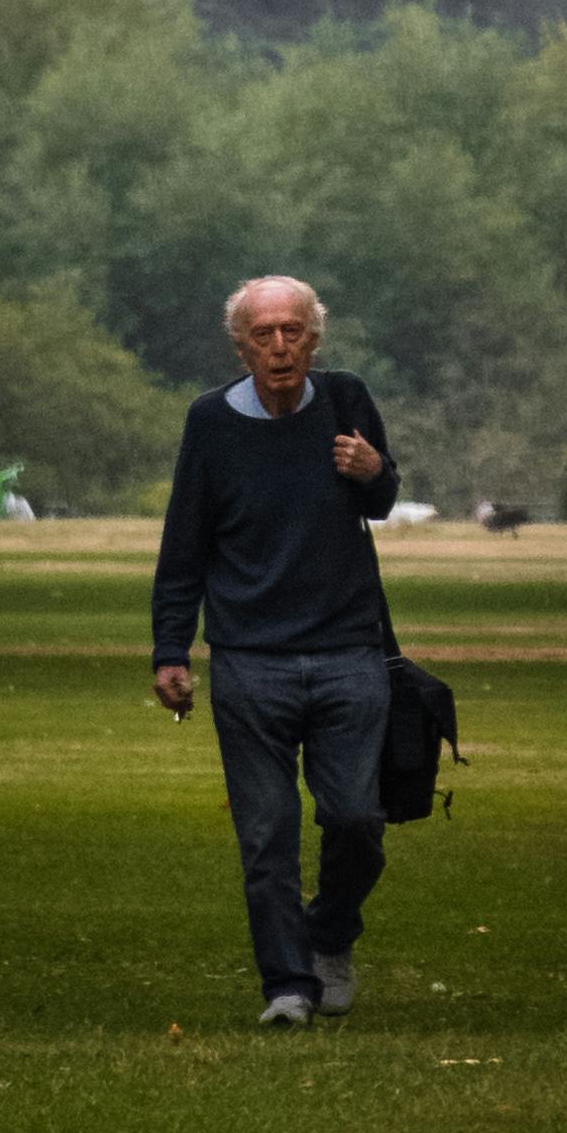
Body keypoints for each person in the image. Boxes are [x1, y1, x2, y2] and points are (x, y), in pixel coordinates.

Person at [149, 276, 401, 1027]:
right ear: (241, 347)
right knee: (266, 835)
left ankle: (331, 933)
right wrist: (170, 649)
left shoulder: (346, 399)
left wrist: (374, 472)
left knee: (356, 819)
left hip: (349, 651)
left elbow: (380, 499)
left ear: (314, 340)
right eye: (264, 334)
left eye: (293, 331)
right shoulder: (210, 422)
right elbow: (184, 543)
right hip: (249, 658)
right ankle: (287, 985)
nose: (280, 346)